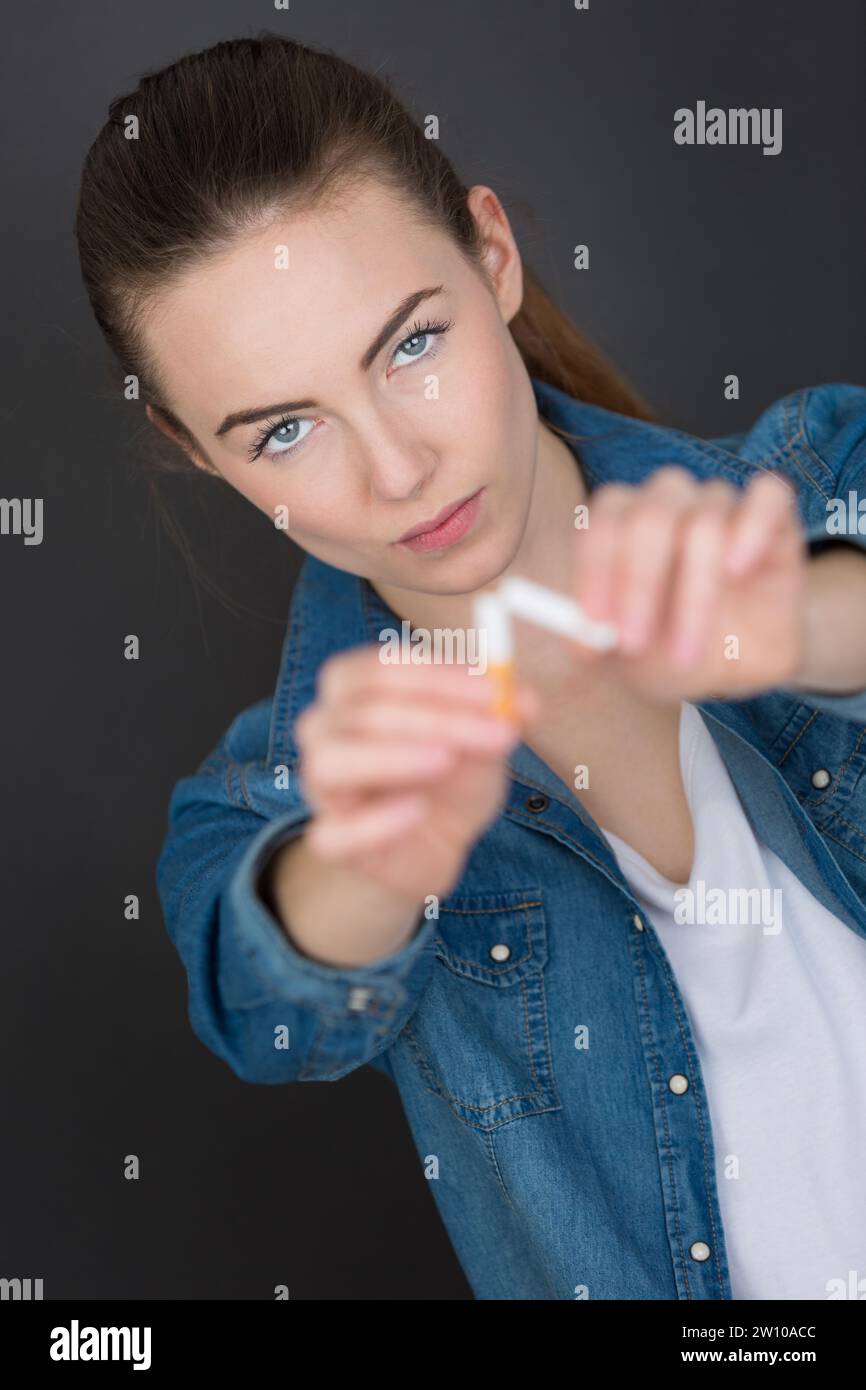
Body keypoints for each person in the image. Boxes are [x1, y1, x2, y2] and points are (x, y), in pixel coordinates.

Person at [74, 32, 866, 1301]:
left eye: (408, 345)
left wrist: (803, 617)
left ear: (490, 256)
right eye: (283, 429)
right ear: (199, 454)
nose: (394, 471)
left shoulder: (821, 475)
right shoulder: (263, 802)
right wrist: (364, 864)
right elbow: (265, 994)